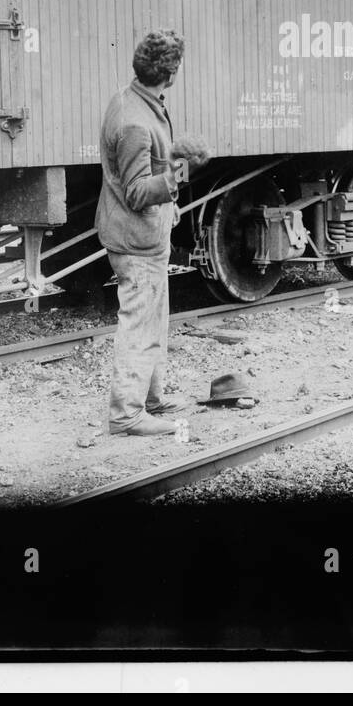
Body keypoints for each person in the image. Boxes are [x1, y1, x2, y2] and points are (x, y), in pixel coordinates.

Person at [95, 30, 210, 436]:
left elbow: (146, 168)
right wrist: (177, 176)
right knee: (140, 323)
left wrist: (173, 160)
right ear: (171, 71)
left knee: (154, 320)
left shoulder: (133, 101)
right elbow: (136, 190)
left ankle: (151, 399)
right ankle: (126, 414)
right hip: (136, 238)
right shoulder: (135, 123)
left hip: (146, 234)